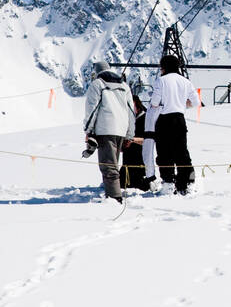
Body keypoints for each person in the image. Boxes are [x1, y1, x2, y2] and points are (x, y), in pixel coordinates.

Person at [82, 61, 136, 203]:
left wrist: (88, 129)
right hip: (122, 129)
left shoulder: (98, 84)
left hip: (105, 128)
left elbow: (92, 109)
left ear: (96, 72)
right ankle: (113, 192)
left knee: (108, 165)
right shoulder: (125, 86)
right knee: (113, 163)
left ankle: (114, 198)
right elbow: (131, 111)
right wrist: (130, 133)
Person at [145, 55, 199, 194]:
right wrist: (183, 103)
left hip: (164, 120)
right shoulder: (185, 81)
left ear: (164, 67)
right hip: (180, 120)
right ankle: (186, 183)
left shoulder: (161, 81)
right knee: (182, 152)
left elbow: (155, 102)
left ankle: (169, 183)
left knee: (164, 153)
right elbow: (196, 102)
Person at [120, 94, 153, 192]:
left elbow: (148, 140)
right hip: (127, 162)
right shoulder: (127, 119)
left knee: (139, 185)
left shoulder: (145, 119)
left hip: (140, 162)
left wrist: (132, 140)